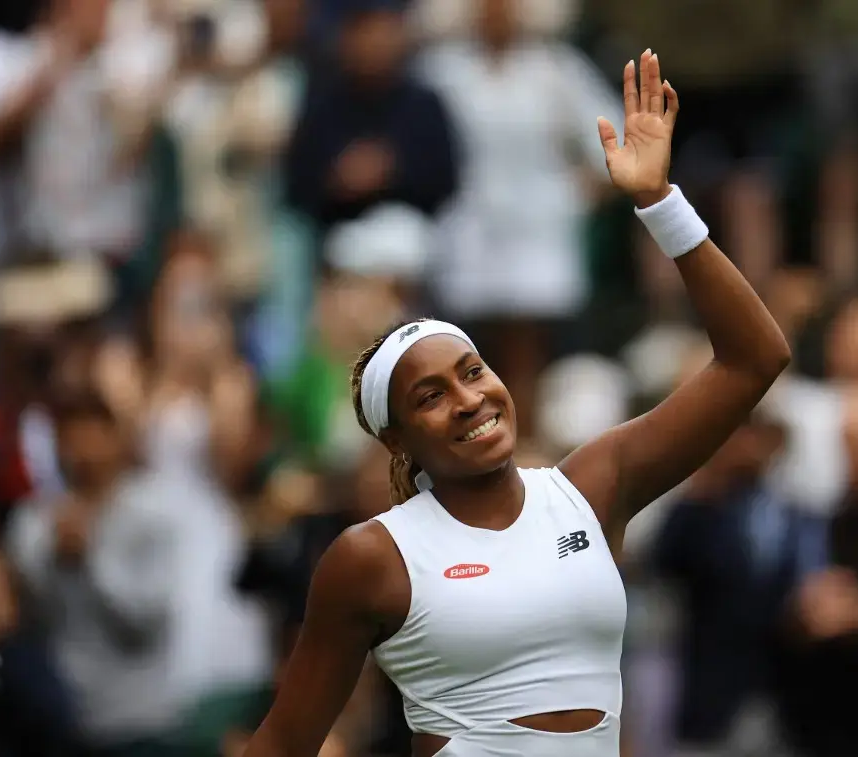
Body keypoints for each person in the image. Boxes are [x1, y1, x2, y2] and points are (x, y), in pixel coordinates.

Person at [242, 50, 791, 757]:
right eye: (431, 395)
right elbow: (284, 742)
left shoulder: (592, 487)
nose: (470, 399)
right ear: (399, 440)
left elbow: (756, 358)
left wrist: (660, 202)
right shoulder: (372, 558)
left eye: (473, 371)